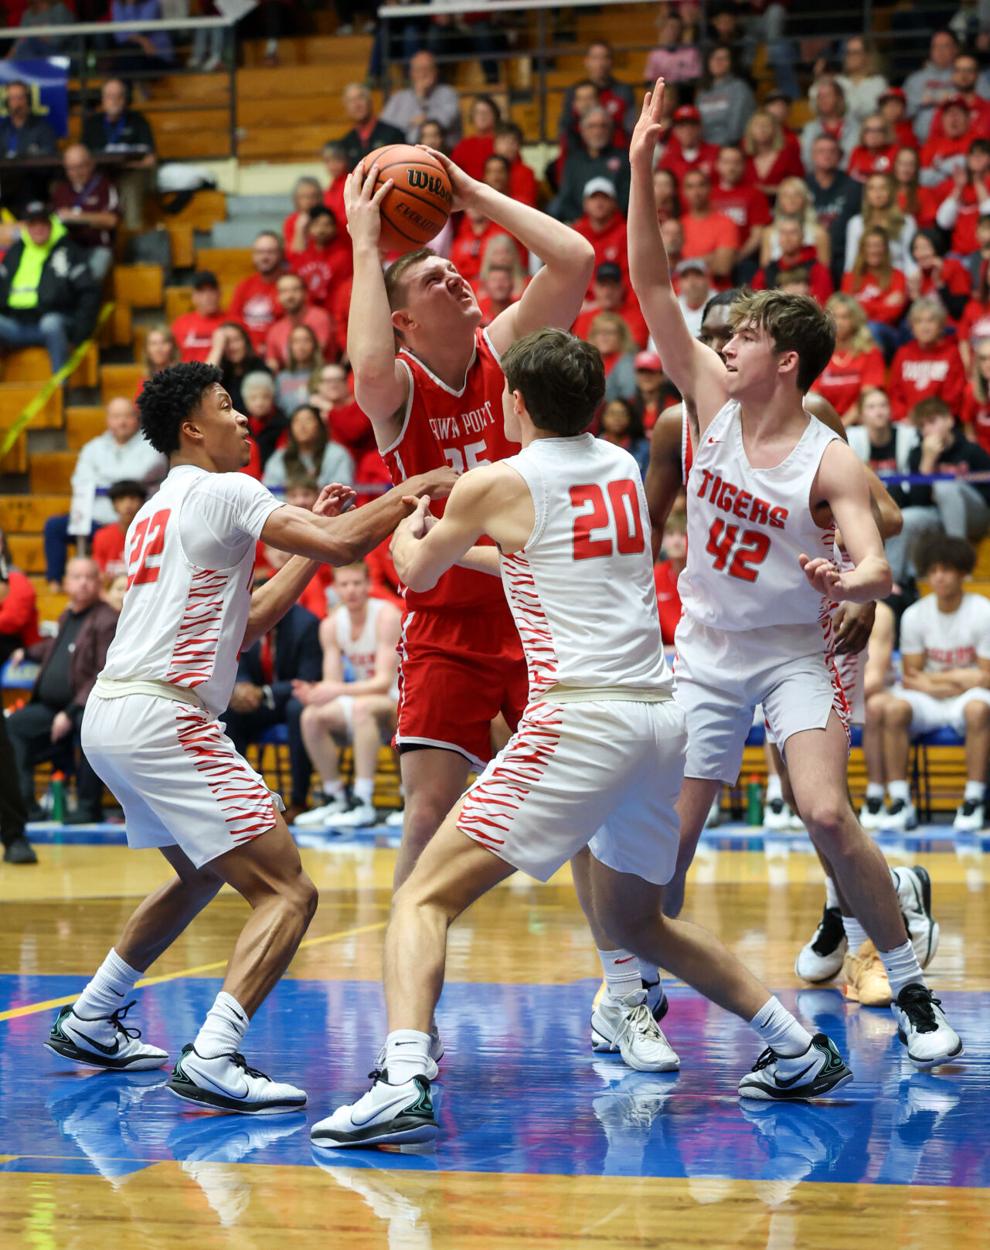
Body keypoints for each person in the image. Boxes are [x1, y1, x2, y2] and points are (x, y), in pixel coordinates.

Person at [310, 327, 855, 1149]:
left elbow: (415, 571)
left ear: (515, 402)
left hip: (580, 717)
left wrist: (406, 521)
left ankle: (402, 1081)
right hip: (657, 720)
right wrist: (464, 543)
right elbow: (542, 555)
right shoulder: (621, 468)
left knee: (422, 896)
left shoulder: (497, 480)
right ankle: (799, 1047)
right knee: (640, 925)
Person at [628, 79, 960, 1068]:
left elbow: (876, 554)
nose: (725, 343)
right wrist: (643, 166)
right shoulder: (704, 401)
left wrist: (858, 582)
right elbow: (650, 283)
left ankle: (909, 984)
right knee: (671, 838)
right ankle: (633, 988)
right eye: (725, 336)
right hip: (704, 651)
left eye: (744, 336)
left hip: (791, 654)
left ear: (786, 362)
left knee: (823, 811)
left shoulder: (830, 455)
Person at [46, 361, 454, 1111]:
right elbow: (342, 544)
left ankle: (92, 1017)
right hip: (167, 717)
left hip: (114, 715)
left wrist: (309, 544)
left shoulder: (157, 510)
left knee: (199, 875)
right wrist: (414, 487)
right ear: (192, 429)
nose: (241, 419)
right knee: (289, 892)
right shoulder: (227, 490)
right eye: (226, 405)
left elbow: (249, 621)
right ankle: (214, 1054)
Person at [867, 534, 990, 833]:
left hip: (968, 696)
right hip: (932, 698)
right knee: (894, 709)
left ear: (963, 572)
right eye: (933, 570)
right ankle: (900, 800)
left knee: (978, 710)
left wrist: (934, 680)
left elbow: (985, 677)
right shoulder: (914, 615)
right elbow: (911, 678)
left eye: (946, 569)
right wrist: (960, 678)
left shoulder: (983, 611)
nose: (939, 577)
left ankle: (973, 799)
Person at [8, 558, 117, 825]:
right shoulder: (68, 615)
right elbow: (55, 647)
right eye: (77, 577)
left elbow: (103, 671)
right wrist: (27, 653)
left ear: (99, 583)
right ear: (66, 583)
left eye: (89, 577)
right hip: (52, 708)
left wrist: (69, 712)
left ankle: (88, 806)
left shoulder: (107, 619)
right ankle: (25, 807)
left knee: (88, 726)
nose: (83, 583)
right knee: (15, 725)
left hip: (85, 706)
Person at [294, 560, 402, 828]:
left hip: (397, 697)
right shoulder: (331, 625)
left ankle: (363, 801)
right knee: (311, 716)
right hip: (360, 697)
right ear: (335, 588)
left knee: (360, 709)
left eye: (356, 583)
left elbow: (383, 682)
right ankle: (336, 797)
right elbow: (333, 683)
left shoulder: (386, 616)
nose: (351, 590)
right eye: (344, 584)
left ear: (368, 585)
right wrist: (316, 693)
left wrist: (335, 690)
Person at [42, 398, 167, 590]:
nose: (121, 422)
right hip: (96, 519)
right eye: (116, 417)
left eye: (127, 416)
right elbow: (81, 481)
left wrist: (101, 481)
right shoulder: (93, 447)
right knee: (54, 527)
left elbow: (140, 474)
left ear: (137, 418)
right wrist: (122, 483)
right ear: (108, 420)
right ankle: (55, 585)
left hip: (136, 521)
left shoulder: (152, 444)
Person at [221, 600, 323, 827]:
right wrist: (242, 686)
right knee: (227, 711)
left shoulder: (306, 624)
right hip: (257, 701)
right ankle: (236, 798)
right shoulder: (243, 619)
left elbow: (308, 678)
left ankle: (299, 801)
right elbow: (236, 662)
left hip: (291, 699)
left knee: (298, 710)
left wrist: (264, 692)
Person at [885, 396, 990, 585]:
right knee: (905, 519)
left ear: (949, 420)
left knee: (944, 486)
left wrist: (958, 496)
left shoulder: (971, 450)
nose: (927, 430)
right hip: (940, 516)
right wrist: (927, 463)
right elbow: (917, 502)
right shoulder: (918, 454)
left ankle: (957, 564)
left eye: (932, 422)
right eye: (922, 426)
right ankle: (891, 583)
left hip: (977, 516)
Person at [0, 201, 101, 376]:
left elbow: (89, 292)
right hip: (16, 324)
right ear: (26, 227)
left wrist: (80, 335)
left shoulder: (69, 251)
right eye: (33, 224)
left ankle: (61, 384)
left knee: (51, 323)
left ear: (51, 225)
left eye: (43, 223)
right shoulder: (15, 252)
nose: (38, 228)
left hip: (54, 325)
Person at [80, 78, 156, 231]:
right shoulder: (92, 123)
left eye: (118, 96)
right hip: (100, 173)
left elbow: (150, 159)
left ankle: (133, 234)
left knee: (129, 187)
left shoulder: (138, 121)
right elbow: (81, 157)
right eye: (109, 96)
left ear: (125, 99)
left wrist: (126, 164)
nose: (114, 100)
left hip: (133, 172)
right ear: (103, 99)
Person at [51, 144, 120, 283]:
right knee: (55, 279)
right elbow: (54, 220)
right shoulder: (61, 190)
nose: (76, 172)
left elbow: (112, 220)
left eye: (80, 166)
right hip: (67, 248)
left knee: (88, 281)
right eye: (70, 168)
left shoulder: (104, 186)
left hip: (98, 247)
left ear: (91, 164)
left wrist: (76, 217)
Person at [888, 298, 965, 422]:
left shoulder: (952, 353)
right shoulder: (903, 353)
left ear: (941, 326)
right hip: (906, 422)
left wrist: (929, 421)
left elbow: (953, 397)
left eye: (930, 321)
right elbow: (894, 393)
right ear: (912, 327)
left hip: (938, 423)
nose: (924, 327)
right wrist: (902, 417)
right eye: (918, 321)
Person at [811, 292, 885, 421]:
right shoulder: (818, 352)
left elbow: (867, 398)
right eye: (835, 316)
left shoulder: (870, 351)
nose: (839, 322)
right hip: (824, 422)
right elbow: (813, 397)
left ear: (855, 320)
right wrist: (831, 426)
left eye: (845, 317)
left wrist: (843, 425)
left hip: (860, 424)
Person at [553, 108, 630, 223]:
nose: (598, 131)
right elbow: (566, 199)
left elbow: (628, 199)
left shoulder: (624, 159)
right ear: (582, 130)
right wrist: (584, 223)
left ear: (611, 130)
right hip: (579, 224)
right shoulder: (573, 161)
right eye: (592, 126)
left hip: (615, 225)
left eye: (603, 126)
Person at [806, 134, 862, 279]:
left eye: (832, 151)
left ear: (840, 156)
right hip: (808, 257)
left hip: (843, 256)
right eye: (821, 151)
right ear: (812, 155)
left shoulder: (854, 187)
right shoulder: (802, 186)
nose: (827, 155)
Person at [262, 402, 354, 490]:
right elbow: (270, 492)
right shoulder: (279, 457)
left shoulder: (337, 455)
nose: (302, 426)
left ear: (319, 425)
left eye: (308, 420)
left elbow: (343, 492)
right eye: (297, 421)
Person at [559, 40, 636, 144]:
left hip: (617, 149)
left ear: (611, 61)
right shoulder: (574, 91)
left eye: (604, 58)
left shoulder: (624, 91)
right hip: (579, 149)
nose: (600, 63)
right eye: (595, 58)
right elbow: (564, 128)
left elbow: (630, 128)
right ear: (586, 61)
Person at [379, 50, 461, 146]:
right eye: (418, 70)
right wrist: (410, 122)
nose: (423, 74)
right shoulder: (398, 98)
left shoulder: (448, 93)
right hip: (403, 150)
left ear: (436, 71)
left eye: (427, 69)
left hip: (438, 150)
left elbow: (443, 123)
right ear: (411, 73)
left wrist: (421, 98)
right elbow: (384, 129)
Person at [228, 232, 286, 354]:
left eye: (270, 252)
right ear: (254, 256)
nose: (265, 257)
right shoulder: (244, 286)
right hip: (248, 353)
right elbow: (234, 323)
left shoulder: (290, 286)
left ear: (280, 254)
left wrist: (271, 348)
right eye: (260, 252)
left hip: (281, 351)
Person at [264, 271, 333, 370]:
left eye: (295, 290)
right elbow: (272, 363)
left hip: (320, 374)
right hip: (289, 377)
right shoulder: (275, 330)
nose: (290, 296)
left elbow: (318, 352)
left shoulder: (319, 317)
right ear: (277, 297)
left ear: (305, 293)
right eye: (284, 291)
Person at [903, 29, 959, 142]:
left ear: (955, 49)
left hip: (960, 144)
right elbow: (902, 113)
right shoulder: (915, 80)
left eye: (945, 46)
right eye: (935, 46)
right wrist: (920, 102)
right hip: (922, 144)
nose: (940, 51)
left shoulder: (967, 75)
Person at [696, 44, 755, 147]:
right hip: (704, 148)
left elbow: (737, 129)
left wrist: (716, 148)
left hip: (730, 148)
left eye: (723, 58)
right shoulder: (702, 92)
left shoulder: (740, 88)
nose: (718, 62)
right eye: (714, 58)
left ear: (731, 63)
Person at [338, 82, 405, 171]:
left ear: (370, 101)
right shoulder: (346, 143)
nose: (357, 105)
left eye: (360, 98)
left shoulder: (394, 134)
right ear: (346, 108)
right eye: (351, 101)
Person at [91, 480, 148, 578]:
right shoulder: (102, 536)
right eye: (121, 499)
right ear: (114, 505)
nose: (128, 504)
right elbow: (100, 575)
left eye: (133, 498)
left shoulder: (151, 533)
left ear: (142, 503)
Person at [172, 271, 227, 364]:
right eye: (202, 291)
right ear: (194, 297)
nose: (208, 296)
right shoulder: (180, 324)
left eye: (212, 290)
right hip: (187, 372)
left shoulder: (232, 323)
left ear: (219, 293)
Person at [0, 79, 57, 159]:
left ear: (28, 100)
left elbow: (49, 152)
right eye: (12, 98)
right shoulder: (2, 129)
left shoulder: (43, 128)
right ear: (7, 103)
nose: (17, 103)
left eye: (20, 98)